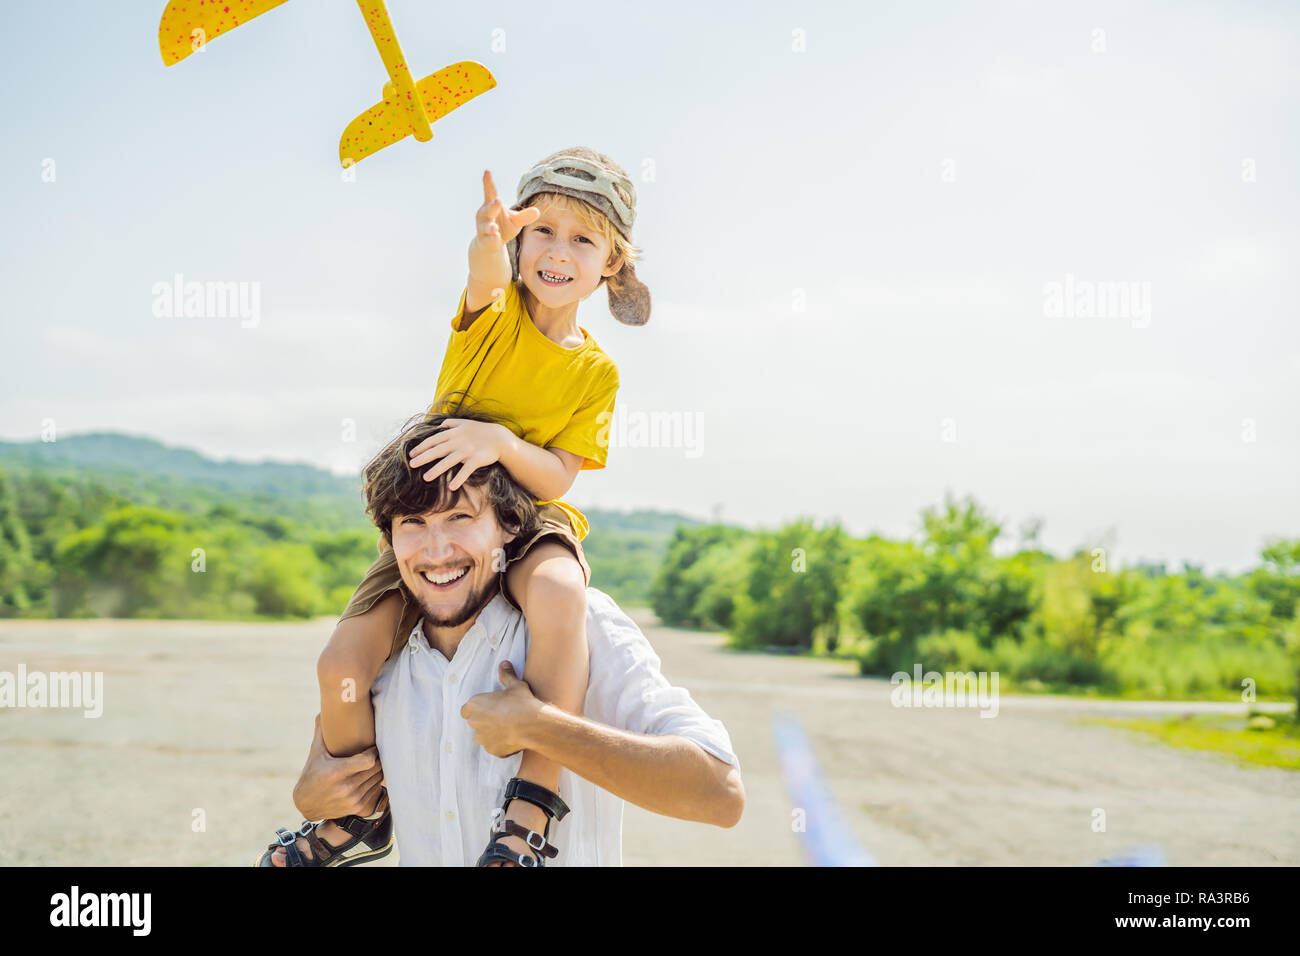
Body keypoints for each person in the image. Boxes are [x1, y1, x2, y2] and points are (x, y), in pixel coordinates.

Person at [263, 148, 653, 867]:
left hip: (527, 511)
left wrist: (500, 442)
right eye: (540, 231)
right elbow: (483, 276)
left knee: (560, 593)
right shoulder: (496, 311)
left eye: (582, 239)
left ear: (612, 264)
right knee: (341, 660)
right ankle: (359, 810)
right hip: (437, 504)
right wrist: (487, 240)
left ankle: (532, 805)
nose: (557, 251)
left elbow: (559, 474)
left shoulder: (597, 371)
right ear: (518, 243)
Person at [265, 413, 743, 866]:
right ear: (390, 541)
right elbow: (332, 792)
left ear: (508, 525)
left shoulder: (584, 626)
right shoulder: (376, 664)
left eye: (460, 517)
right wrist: (315, 798)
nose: (437, 551)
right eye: (413, 523)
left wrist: (543, 728)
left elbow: (721, 794)